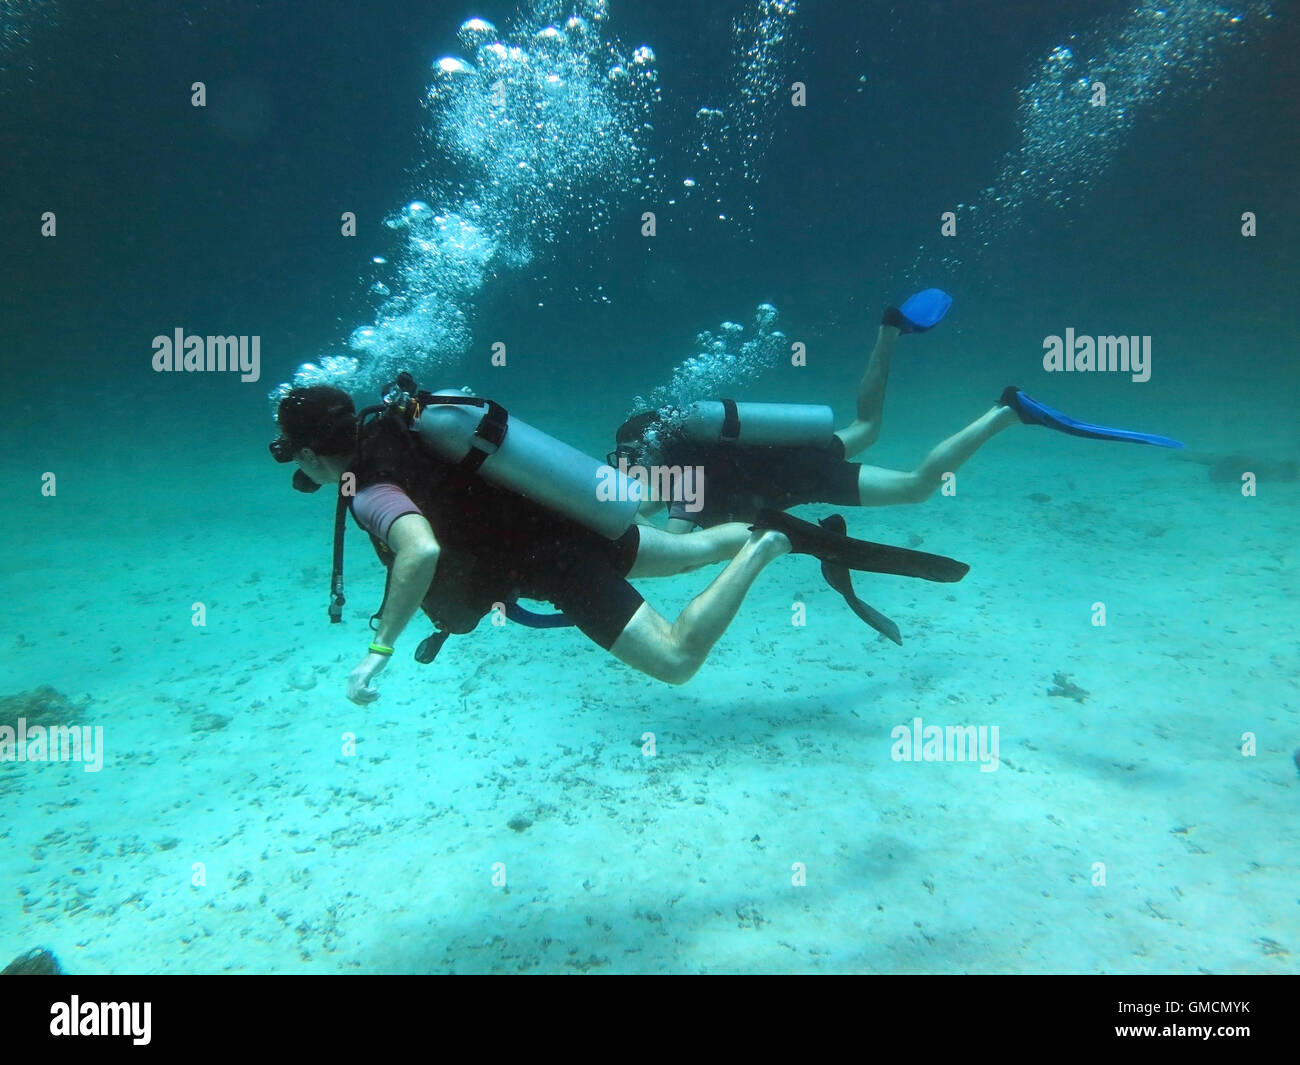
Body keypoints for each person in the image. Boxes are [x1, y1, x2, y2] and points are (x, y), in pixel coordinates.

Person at [270, 378, 969, 703]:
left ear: (307, 453)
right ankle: (762, 527)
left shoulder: (369, 485)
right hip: (580, 518)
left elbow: (419, 550)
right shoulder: (408, 430)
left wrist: (379, 648)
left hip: (558, 561)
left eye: (294, 455)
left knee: (674, 659)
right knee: (692, 550)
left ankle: (766, 546)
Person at [613, 289, 1181, 534]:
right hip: (789, 450)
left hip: (801, 473)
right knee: (867, 428)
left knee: (915, 487)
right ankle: (891, 328)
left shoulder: (680, 481)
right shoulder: (684, 455)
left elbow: (681, 544)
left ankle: (1007, 412)